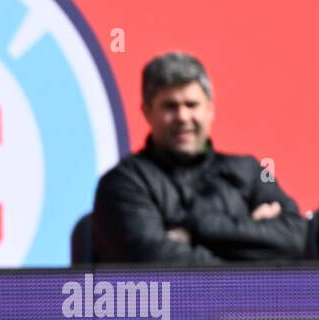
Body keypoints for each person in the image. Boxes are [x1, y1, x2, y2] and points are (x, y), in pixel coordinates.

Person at [92, 52, 306, 263]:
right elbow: (155, 263)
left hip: (258, 299)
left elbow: (296, 238)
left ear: (210, 109)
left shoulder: (252, 172)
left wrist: (195, 229)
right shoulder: (123, 183)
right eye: (170, 106)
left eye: (191, 105)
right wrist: (248, 235)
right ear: (147, 111)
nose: (183, 117)